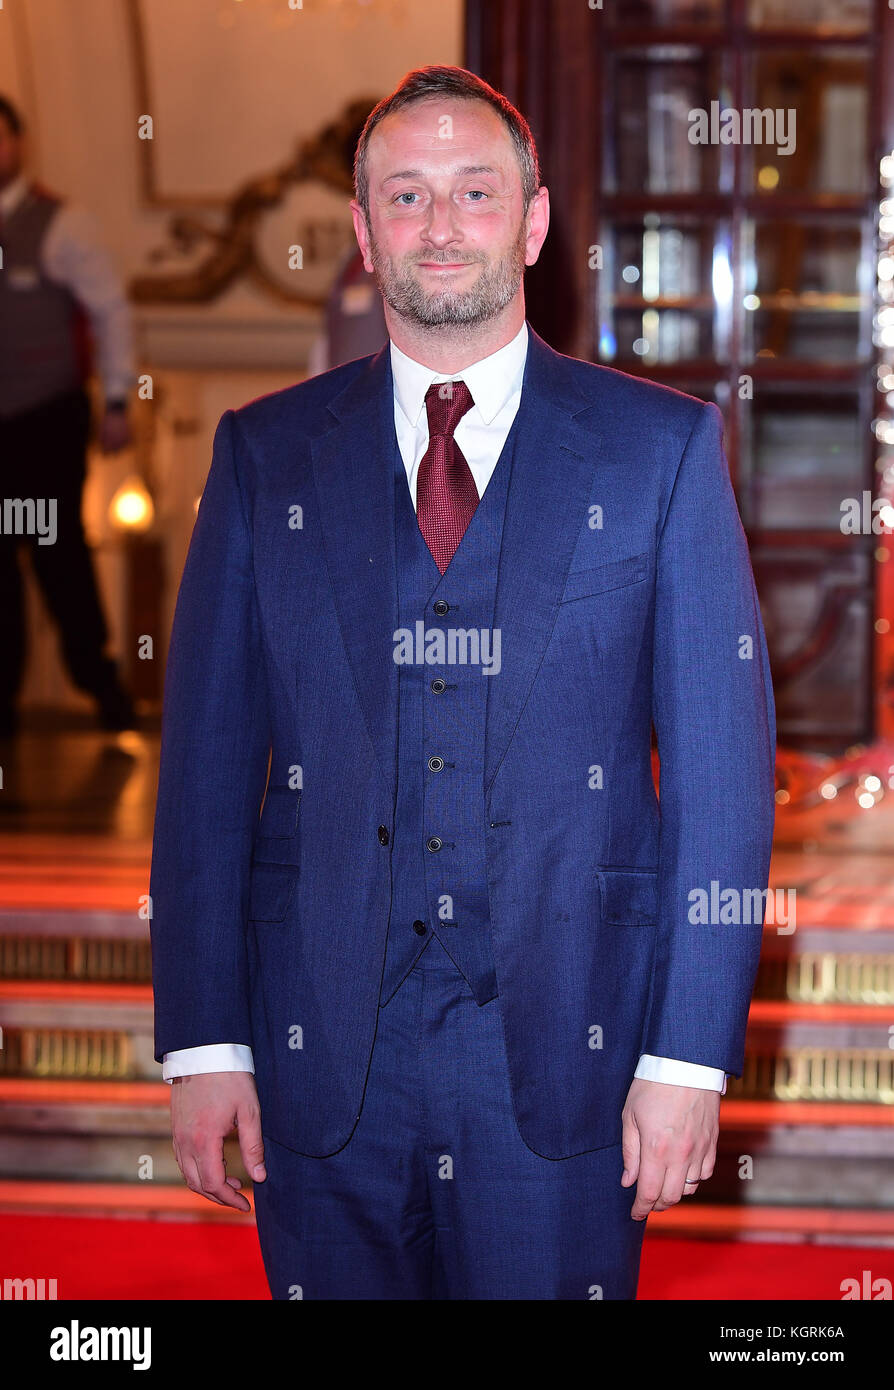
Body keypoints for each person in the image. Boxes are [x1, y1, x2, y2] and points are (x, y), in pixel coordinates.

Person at [150, 65, 776, 1300]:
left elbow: (721, 769)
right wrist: (205, 1039)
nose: (442, 225)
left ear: (532, 223)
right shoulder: (263, 452)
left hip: (567, 1057)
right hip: (320, 1055)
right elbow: (209, 768)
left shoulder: (661, 450)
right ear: (366, 227)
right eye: (408, 194)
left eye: (476, 192)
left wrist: (689, 1059)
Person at [0, 95, 137, 736]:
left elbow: (111, 313)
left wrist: (116, 401)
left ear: (18, 143)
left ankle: (100, 682)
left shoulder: (60, 223)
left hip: (45, 417)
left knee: (56, 551)